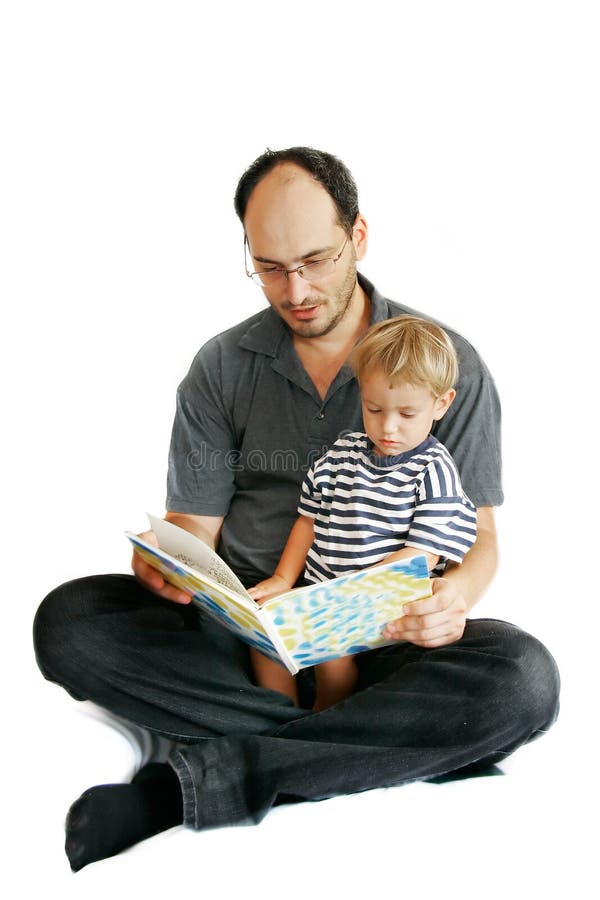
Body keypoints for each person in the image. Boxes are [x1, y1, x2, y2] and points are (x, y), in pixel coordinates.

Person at [33, 146, 560, 872]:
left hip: (385, 639)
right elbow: (197, 529)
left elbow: (480, 539)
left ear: (360, 237)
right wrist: (171, 568)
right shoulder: (221, 368)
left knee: (524, 677)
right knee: (71, 622)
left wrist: (453, 600)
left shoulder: (444, 364)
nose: (297, 288)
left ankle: (191, 785)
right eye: (270, 267)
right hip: (249, 628)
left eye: (316, 259)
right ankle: (372, 748)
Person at [248, 315, 478, 711]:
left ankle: (325, 714)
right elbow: (308, 519)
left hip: (381, 603)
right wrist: (283, 579)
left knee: (329, 651)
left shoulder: (433, 469)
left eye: (407, 415)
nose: (388, 428)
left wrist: (350, 598)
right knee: (263, 630)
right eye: (374, 409)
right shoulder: (343, 453)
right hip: (322, 596)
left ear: (441, 404)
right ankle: (277, 715)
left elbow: (423, 554)